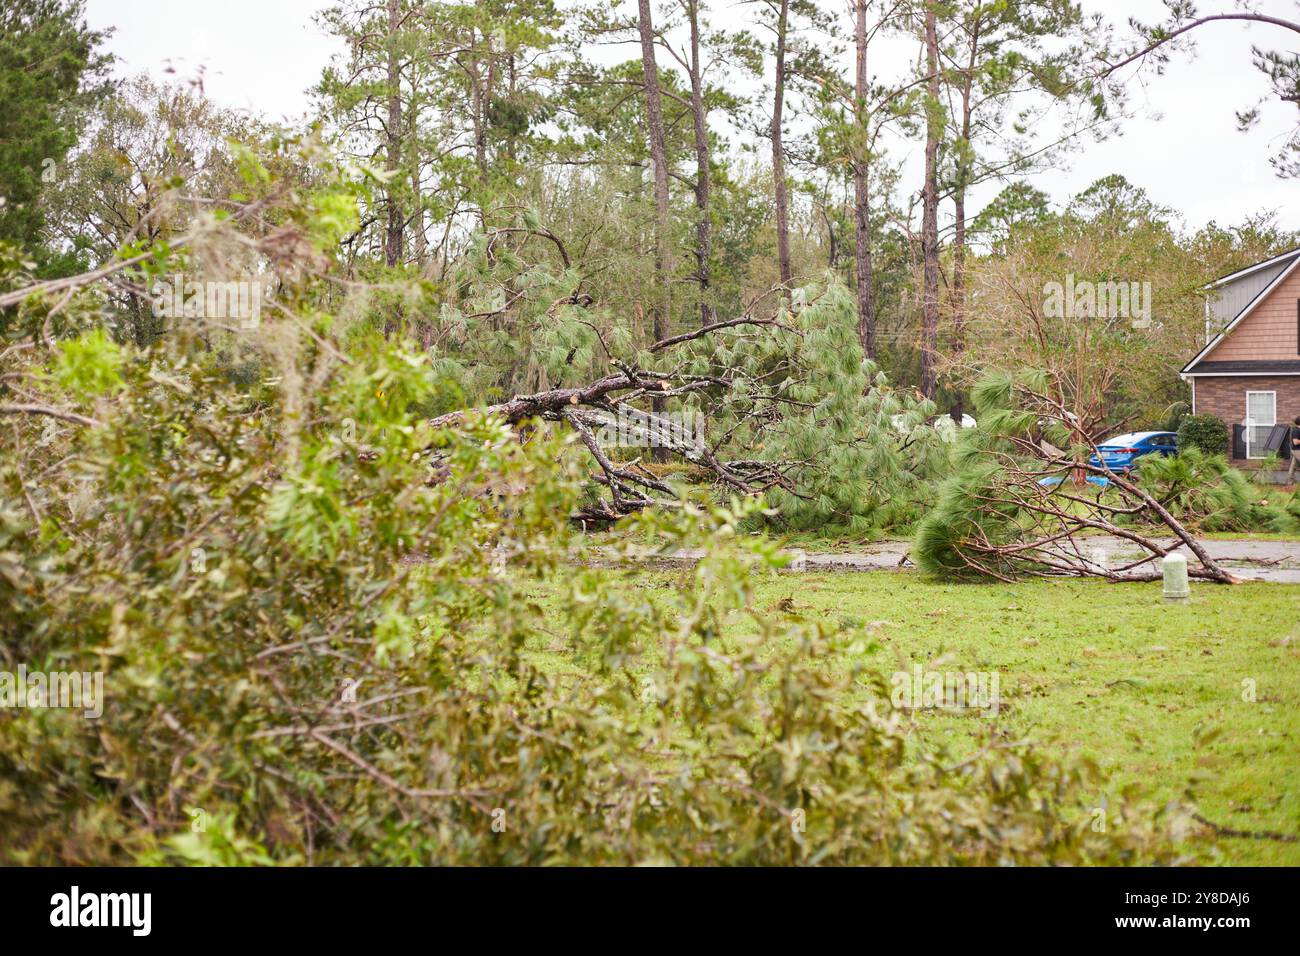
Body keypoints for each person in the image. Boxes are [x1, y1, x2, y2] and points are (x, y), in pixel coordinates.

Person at [1291, 415, 1300, 482]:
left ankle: (1289, 481)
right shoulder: (1296, 430)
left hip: (1297, 450)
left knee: (1293, 466)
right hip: (1297, 451)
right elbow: (1295, 442)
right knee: (1293, 466)